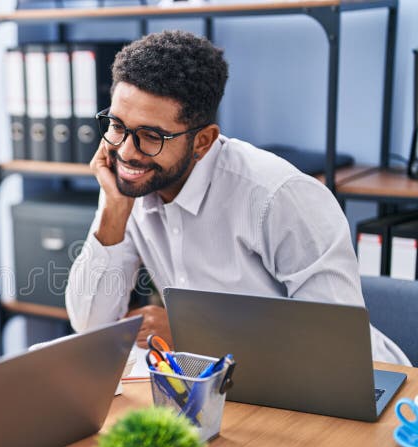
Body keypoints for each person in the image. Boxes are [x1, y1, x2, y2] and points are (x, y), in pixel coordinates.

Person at [65, 30, 409, 365]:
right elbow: (90, 325)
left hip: (368, 386)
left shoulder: (278, 197)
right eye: (117, 125)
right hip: (237, 384)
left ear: (203, 142)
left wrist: (191, 333)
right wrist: (114, 208)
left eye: (150, 136)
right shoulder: (132, 184)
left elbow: (332, 344)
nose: (126, 151)